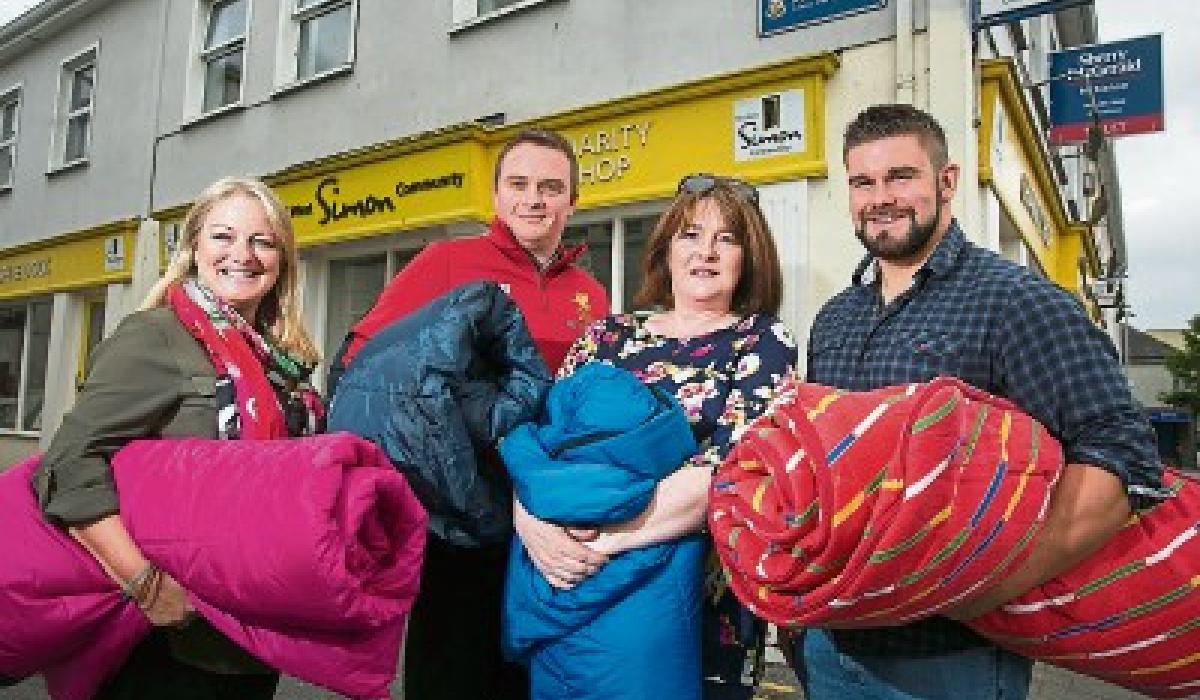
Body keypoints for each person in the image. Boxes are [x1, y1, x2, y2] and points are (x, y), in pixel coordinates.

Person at [793, 103, 1167, 700]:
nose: (880, 197)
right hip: (833, 646)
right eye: (863, 181)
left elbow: (1124, 455)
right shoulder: (835, 320)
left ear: (947, 182)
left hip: (949, 661)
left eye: (901, 177)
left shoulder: (1015, 301)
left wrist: (991, 584)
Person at [335, 127, 609, 700]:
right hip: (460, 513)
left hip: (551, 510)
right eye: (519, 184)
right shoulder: (447, 263)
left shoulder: (592, 293)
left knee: (530, 671)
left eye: (550, 187)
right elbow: (365, 361)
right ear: (496, 196)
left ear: (572, 202)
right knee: (454, 669)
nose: (534, 198)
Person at [34, 177, 323, 698]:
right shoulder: (156, 336)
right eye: (223, 237)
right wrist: (146, 586)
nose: (243, 254)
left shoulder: (282, 364)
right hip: (165, 639)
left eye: (263, 241)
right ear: (193, 249)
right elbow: (68, 464)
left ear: (283, 259)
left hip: (249, 637)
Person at [553, 174, 798, 699]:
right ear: (665, 248)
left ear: (749, 256)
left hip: (698, 596)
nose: (705, 252)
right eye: (690, 234)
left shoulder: (761, 340)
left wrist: (609, 540)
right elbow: (546, 442)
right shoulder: (605, 335)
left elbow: (733, 464)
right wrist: (535, 528)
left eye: (726, 238)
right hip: (581, 578)